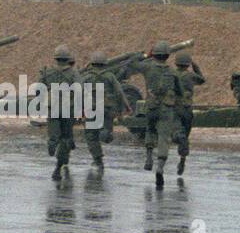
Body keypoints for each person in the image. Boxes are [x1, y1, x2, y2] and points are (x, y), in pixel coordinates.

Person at [122, 41, 180, 188]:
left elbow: (131, 63)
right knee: (164, 137)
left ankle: (148, 158)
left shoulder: (147, 67)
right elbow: (179, 91)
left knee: (150, 130)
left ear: (154, 55)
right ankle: (160, 167)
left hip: (151, 107)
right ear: (167, 56)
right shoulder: (173, 72)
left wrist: (145, 56)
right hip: (166, 109)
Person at [78, 50, 127, 168]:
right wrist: (123, 108)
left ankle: (98, 160)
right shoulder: (110, 76)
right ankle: (104, 134)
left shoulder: (86, 77)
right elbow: (119, 92)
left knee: (91, 135)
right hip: (107, 110)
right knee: (106, 132)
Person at [42, 45, 80, 181]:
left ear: (56, 58)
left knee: (53, 134)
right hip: (67, 109)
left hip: (53, 107)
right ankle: (58, 168)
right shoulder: (74, 73)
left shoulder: (48, 71)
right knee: (65, 139)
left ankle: (52, 143)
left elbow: (40, 87)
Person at [173, 49, 205, 176]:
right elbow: (202, 80)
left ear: (176, 63)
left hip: (174, 109)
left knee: (176, 131)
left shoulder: (172, 74)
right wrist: (195, 66)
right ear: (187, 64)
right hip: (186, 109)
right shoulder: (191, 76)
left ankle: (177, 138)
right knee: (185, 136)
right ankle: (182, 159)